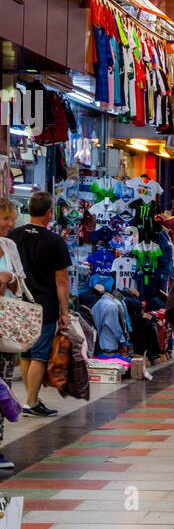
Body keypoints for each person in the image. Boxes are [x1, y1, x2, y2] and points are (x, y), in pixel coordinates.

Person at [10, 191, 71, 418]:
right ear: (49, 213)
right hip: (44, 305)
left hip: (18, 304)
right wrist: (65, 312)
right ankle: (31, 401)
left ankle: (30, 399)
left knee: (25, 353)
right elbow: (62, 281)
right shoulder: (54, 241)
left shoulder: (14, 236)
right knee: (39, 355)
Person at [0, 196, 24, 469]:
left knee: (3, 389)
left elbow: (20, 285)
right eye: (6, 218)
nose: (11, 223)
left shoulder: (9, 246)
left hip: (5, 329)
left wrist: (11, 280)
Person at [91, 286, 130, 355]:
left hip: (99, 342)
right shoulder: (112, 305)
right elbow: (114, 326)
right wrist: (122, 339)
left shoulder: (96, 305)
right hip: (110, 343)